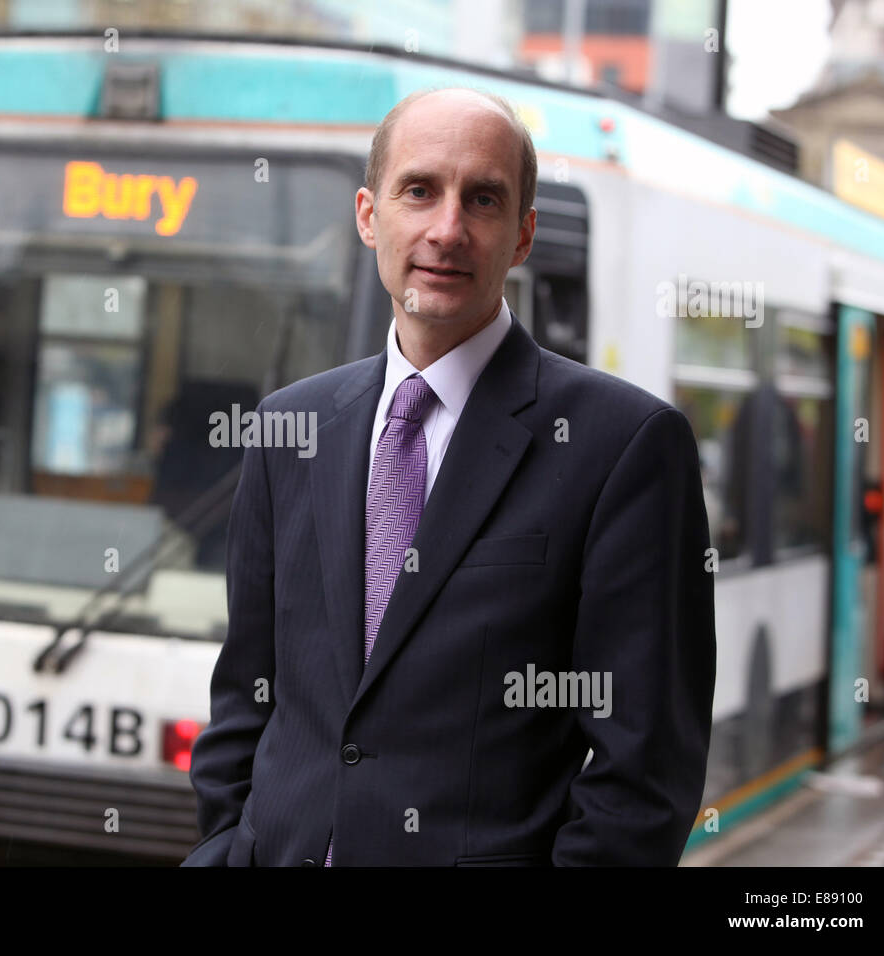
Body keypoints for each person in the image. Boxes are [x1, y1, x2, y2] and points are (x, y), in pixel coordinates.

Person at [183, 88, 716, 866]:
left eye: (485, 199)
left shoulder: (626, 447)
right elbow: (246, 699)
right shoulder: (288, 430)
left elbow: (647, 773)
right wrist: (226, 848)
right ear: (370, 215)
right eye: (420, 190)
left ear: (524, 234)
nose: (447, 229)